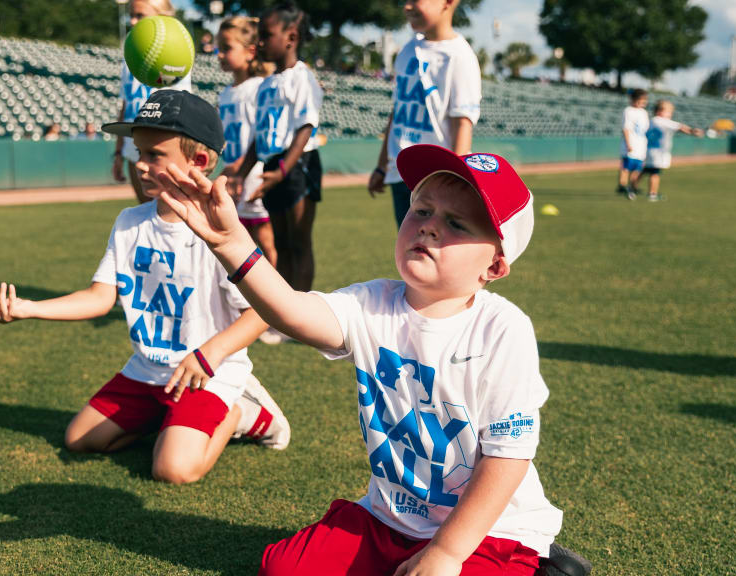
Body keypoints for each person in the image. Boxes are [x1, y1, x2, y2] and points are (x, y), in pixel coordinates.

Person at [155, 144, 564, 574]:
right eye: (421, 211)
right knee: (283, 570)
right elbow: (293, 312)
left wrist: (446, 553)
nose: (428, 228)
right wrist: (233, 243)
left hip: (487, 532)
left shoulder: (503, 331)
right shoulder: (372, 302)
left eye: (456, 222)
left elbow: (506, 458)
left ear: (495, 266)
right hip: (388, 519)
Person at [0, 90, 291, 485]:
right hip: (148, 370)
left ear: (199, 162)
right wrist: (29, 309)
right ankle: (168, 419)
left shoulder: (221, 231)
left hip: (209, 373)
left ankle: (242, 409)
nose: (140, 166)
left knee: (172, 470)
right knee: (78, 439)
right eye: (139, 153)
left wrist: (210, 353)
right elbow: (100, 297)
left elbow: (264, 311)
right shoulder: (129, 221)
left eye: (155, 155)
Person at [227, 2, 322, 298]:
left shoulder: (302, 78)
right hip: (272, 167)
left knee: (299, 242)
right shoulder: (267, 84)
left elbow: (305, 129)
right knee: (280, 243)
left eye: (267, 35)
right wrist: (240, 174)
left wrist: (282, 171)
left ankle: (302, 315)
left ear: (291, 37)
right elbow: (259, 135)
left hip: (297, 166)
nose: (260, 43)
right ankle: (284, 313)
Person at [368, 0, 482, 228]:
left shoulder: (459, 56)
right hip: (400, 173)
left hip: (436, 176)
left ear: (448, 3)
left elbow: (463, 124)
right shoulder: (408, 50)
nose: (406, 7)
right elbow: (397, 112)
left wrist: (451, 181)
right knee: (409, 253)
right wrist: (382, 165)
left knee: (433, 255)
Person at [216, 16, 278, 318]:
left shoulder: (259, 88)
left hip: (253, 175)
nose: (219, 54)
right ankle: (247, 303)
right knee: (240, 243)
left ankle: (274, 304)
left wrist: (239, 168)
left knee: (265, 241)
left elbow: (259, 134)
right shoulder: (226, 92)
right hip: (233, 177)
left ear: (250, 51)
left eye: (226, 48)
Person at [112, 0, 192, 204]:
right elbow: (126, 103)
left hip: (161, 141)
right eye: (131, 14)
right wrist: (119, 151)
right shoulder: (130, 53)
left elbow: (181, 102)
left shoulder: (175, 49)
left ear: (162, 15)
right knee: (145, 212)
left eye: (139, 15)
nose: (132, 20)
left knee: (168, 211)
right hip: (133, 141)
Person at [641, 100, 703, 202]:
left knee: (645, 171)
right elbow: (680, 127)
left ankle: (632, 187)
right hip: (658, 153)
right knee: (655, 173)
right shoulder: (663, 121)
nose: (670, 114)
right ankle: (652, 194)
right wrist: (692, 131)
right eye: (668, 112)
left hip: (649, 151)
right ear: (660, 111)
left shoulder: (652, 121)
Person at [617, 89, 649, 199]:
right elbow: (626, 128)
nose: (643, 103)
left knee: (638, 168)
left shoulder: (644, 112)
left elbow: (646, 129)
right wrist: (628, 144)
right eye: (641, 100)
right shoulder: (628, 111)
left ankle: (633, 186)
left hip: (641, 145)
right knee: (626, 166)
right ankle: (622, 186)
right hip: (631, 144)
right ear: (634, 100)